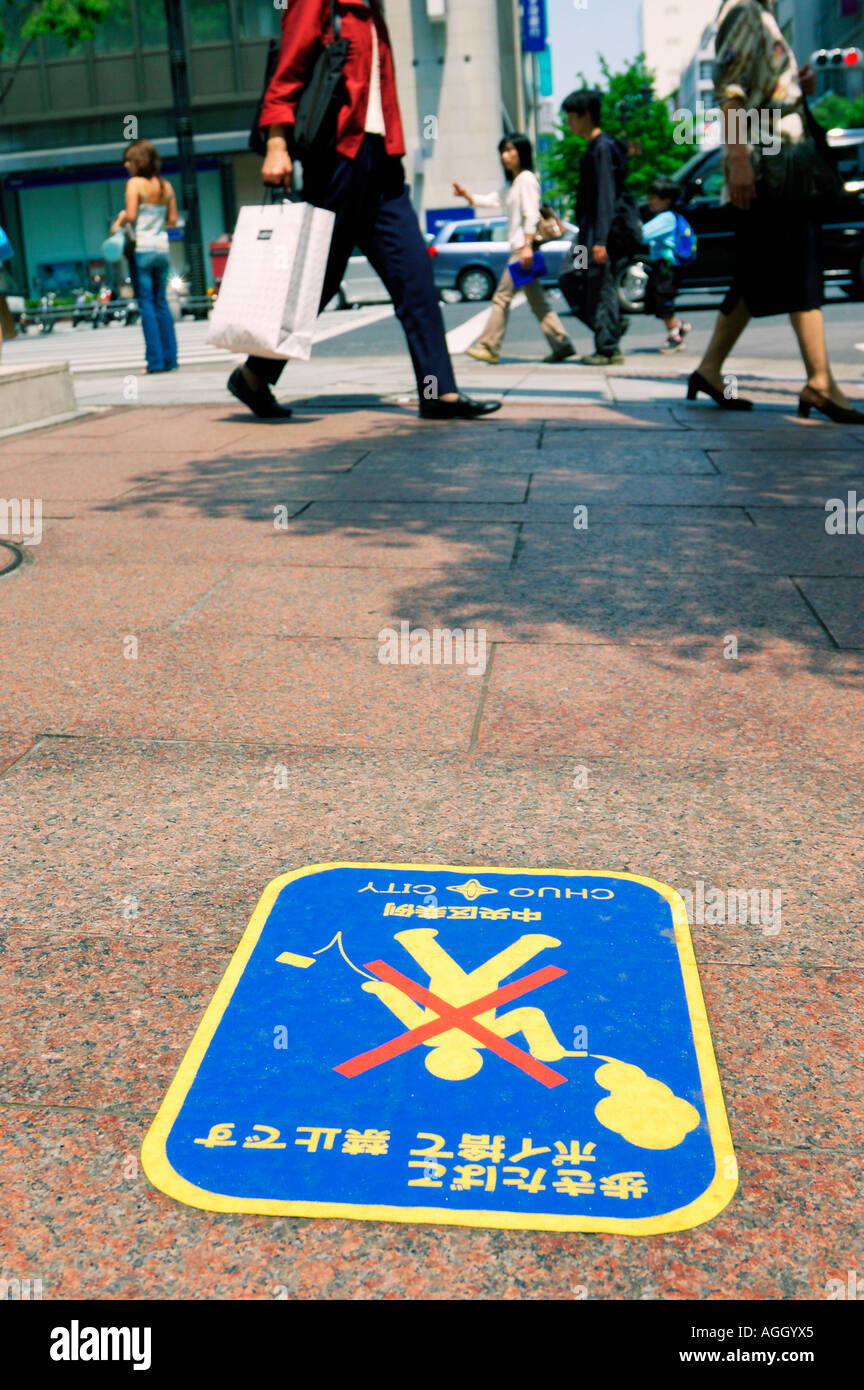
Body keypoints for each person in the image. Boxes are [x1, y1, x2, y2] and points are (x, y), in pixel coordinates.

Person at [230, 0, 500, 422]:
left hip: (383, 161)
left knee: (415, 277)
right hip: (337, 158)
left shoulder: (374, 11)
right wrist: (277, 144)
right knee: (315, 283)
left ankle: (438, 392)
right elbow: (288, 72)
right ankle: (252, 375)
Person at [689, 0, 864, 423]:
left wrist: (790, 82)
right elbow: (729, 90)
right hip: (773, 166)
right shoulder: (744, 10)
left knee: (758, 272)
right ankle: (820, 381)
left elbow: (752, 88)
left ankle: (709, 371)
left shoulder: (756, 12)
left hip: (773, 161)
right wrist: (740, 161)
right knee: (800, 263)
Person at [452, 134, 575, 365]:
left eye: (510, 150)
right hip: (522, 248)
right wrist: (468, 196)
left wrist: (528, 246)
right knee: (538, 301)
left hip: (522, 249)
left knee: (501, 297)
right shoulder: (514, 183)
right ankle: (562, 344)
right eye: (502, 151)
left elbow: (531, 214)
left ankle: (489, 346)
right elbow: (493, 200)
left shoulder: (527, 179)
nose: (505, 156)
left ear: (521, 152)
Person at [561, 89, 628, 366]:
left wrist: (600, 240)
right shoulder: (595, 146)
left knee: (599, 285)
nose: (568, 124)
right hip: (588, 232)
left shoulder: (602, 147)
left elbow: (605, 194)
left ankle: (608, 347)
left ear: (586, 115)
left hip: (598, 234)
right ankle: (611, 327)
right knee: (569, 276)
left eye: (571, 117)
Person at [111, 140, 178, 375]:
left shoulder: (134, 184)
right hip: (162, 249)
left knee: (146, 305)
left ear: (138, 162)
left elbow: (130, 215)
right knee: (162, 303)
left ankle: (155, 362)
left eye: (129, 161)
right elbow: (172, 220)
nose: (126, 165)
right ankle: (171, 359)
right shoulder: (166, 186)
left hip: (142, 250)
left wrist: (119, 220)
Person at [642, 177, 693, 353]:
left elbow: (642, 235)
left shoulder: (666, 218)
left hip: (666, 266)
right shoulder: (670, 216)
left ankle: (675, 337)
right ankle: (678, 327)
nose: (650, 200)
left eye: (654, 197)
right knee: (658, 299)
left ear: (667, 200)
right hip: (666, 265)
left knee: (663, 299)